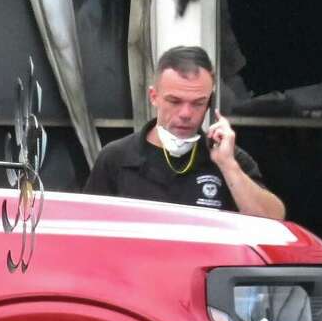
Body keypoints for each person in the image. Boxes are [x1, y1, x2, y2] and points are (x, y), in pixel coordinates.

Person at [83, 46, 285, 219]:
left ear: (209, 102)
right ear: (154, 97)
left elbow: (274, 219)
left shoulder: (227, 157)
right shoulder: (117, 157)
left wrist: (228, 165)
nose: (186, 114)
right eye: (175, 101)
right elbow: (88, 226)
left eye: (198, 103)